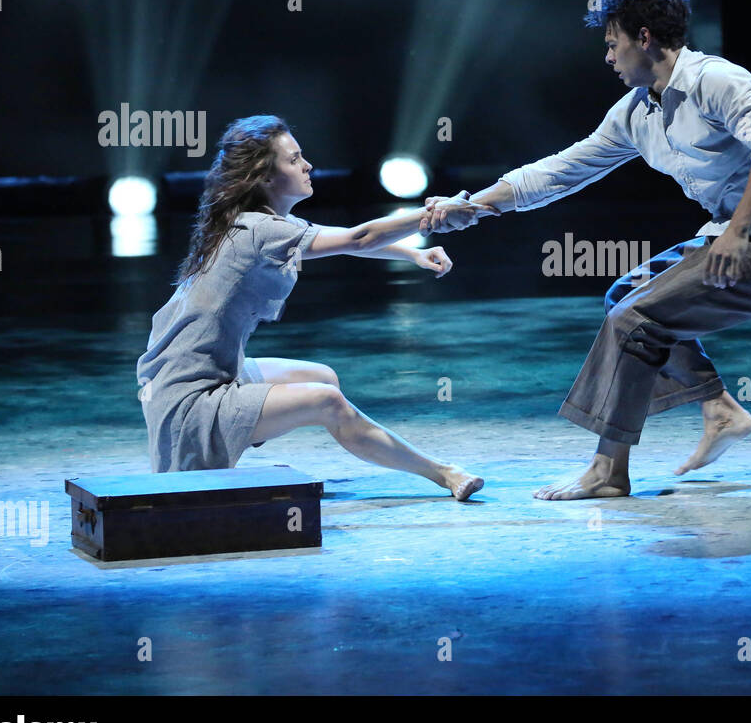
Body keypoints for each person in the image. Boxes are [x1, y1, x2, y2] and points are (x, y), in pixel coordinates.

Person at [421, 0, 751, 500]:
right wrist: (473, 206)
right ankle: (719, 409)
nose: (608, 58)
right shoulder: (636, 112)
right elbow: (561, 171)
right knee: (623, 296)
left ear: (645, 37)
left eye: (613, 44)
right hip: (729, 237)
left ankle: (608, 471)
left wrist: (739, 230)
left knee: (633, 318)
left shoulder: (716, 80)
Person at [136, 114, 494, 500]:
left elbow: (344, 240)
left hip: (208, 371)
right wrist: (430, 219)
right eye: (294, 159)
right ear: (265, 177)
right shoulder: (260, 230)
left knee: (323, 378)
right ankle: (443, 473)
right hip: (191, 393)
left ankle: (241, 438)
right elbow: (359, 237)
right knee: (327, 401)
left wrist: (413, 254)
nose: (307, 165)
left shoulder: (261, 224)